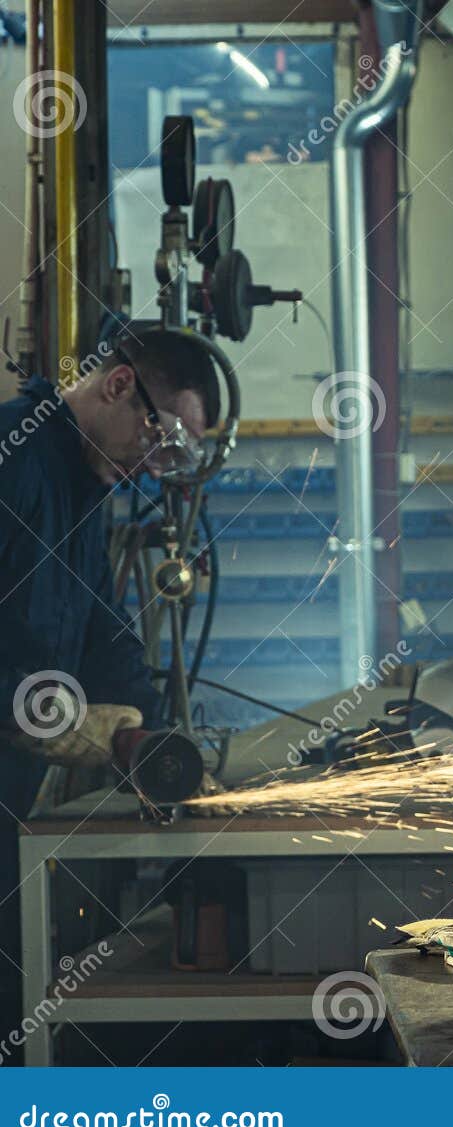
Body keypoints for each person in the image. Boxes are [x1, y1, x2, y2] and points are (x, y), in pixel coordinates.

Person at [0, 326, 218, 1058]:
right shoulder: (15, 461)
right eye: (160, 441)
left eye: (177, 459)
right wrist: (47, 719)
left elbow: (104, 637)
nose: (158, 469)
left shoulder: (81, 486)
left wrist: (159, 744)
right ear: (120, 385)